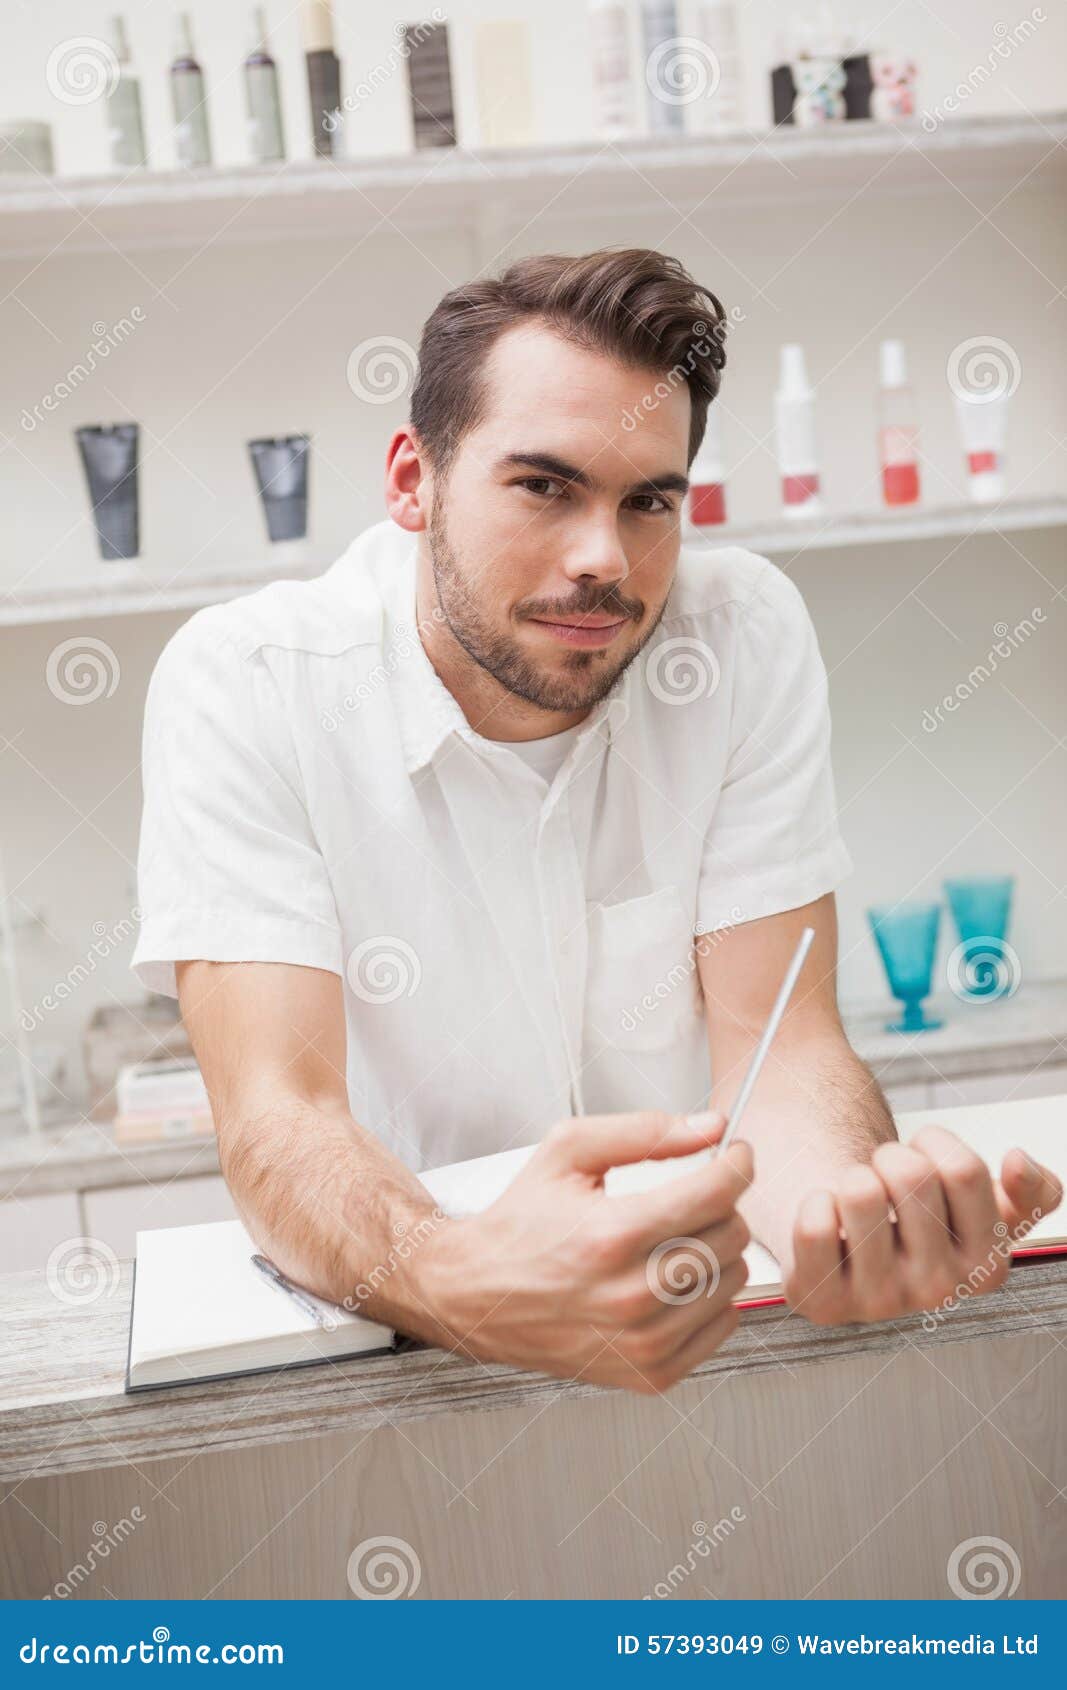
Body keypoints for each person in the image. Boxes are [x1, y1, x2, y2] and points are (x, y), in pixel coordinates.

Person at [132, 247, 1061, 1395]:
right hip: (410, 1368)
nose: (601, 561)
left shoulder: (739, 636)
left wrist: (831, 1223)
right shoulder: (249, 680)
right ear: (411, 481)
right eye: (543, 486)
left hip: (709, 1338)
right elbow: (278, 1116)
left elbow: (778, 1048)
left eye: (648, 501)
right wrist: (469, 1281)